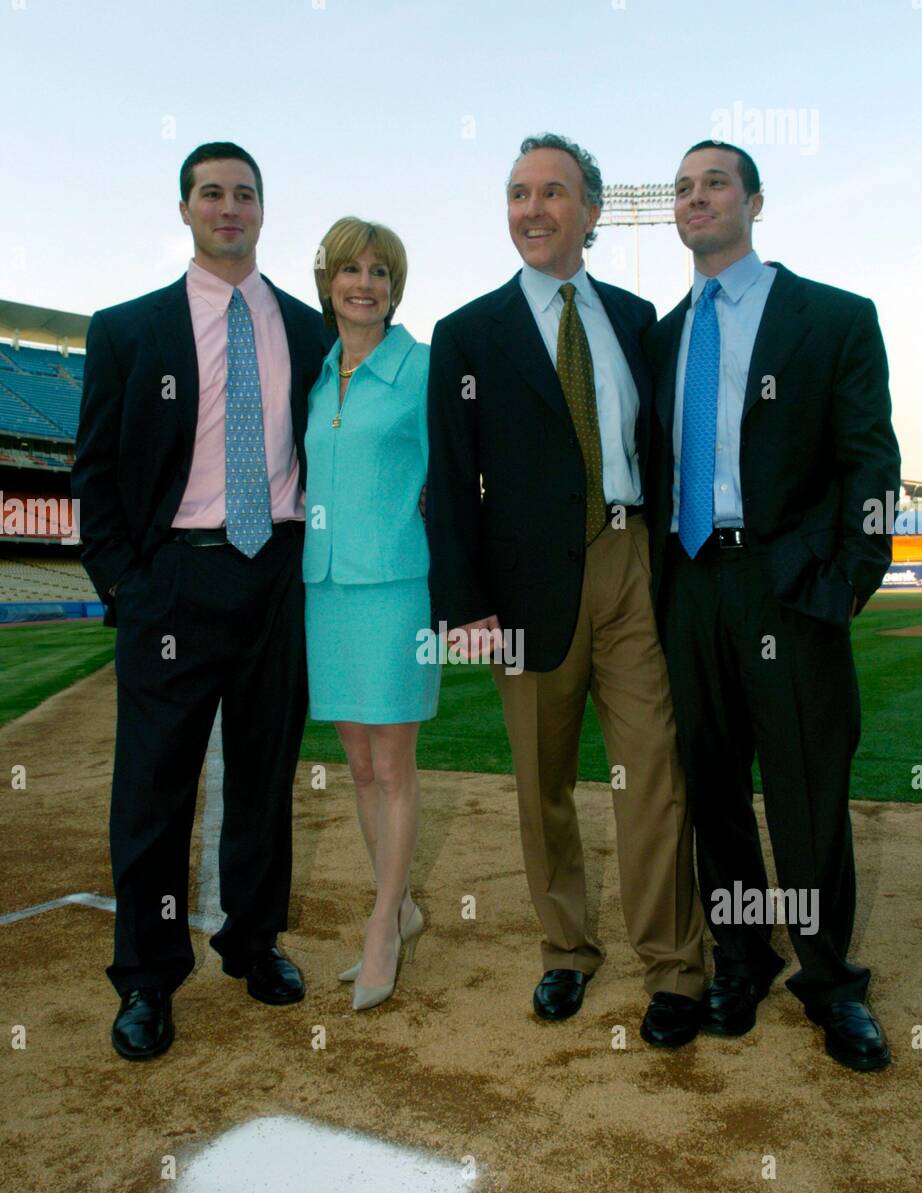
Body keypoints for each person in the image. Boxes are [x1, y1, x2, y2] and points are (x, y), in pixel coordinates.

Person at [426, 134, 706, 1046]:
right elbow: (449, 483)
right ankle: (567, 951)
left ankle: (672, 964)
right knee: (541, 782)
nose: (532, 209)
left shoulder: (636, 317)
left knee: (653, 771)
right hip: (524, 588)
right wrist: (464, 604)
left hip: (629, 565)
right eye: (517, 193)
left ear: (590, 210)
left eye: (552, 192)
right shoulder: (467, 334)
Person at [642, 140, 900, 1071]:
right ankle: (740, 959)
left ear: (755, 200)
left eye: (715, 182)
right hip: (691, 581)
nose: (696, 197)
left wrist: (843, 582)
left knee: (805, 795)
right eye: (682, 187)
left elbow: (871, 464)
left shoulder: (830, 317)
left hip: (785, 586)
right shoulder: (664, 335)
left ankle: (831, 981)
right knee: (711, 790)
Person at [72, 142, 332, 1060]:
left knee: (264, 779)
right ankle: (146, 978)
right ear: (184, 210)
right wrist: (129, 590)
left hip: (277, 576)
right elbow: (94, 473)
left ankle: (251, 942)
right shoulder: (128, 330)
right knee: (153, 789)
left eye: (245, 193)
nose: (230, 207)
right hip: (175, 581)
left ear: (264, 209)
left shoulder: (312, 331)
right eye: (211, 193)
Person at [304, 217, 439, 1012]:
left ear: (395, 287)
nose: (365, 283)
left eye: (380, 272)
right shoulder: (318, 379)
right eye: (351, 269)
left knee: (393, 767)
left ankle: (384, 922)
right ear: (329, 282)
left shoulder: (423, 370)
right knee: (358, 766)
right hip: (323, 592)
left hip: (394, 590)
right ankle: (405, 902)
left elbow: (458, 473)